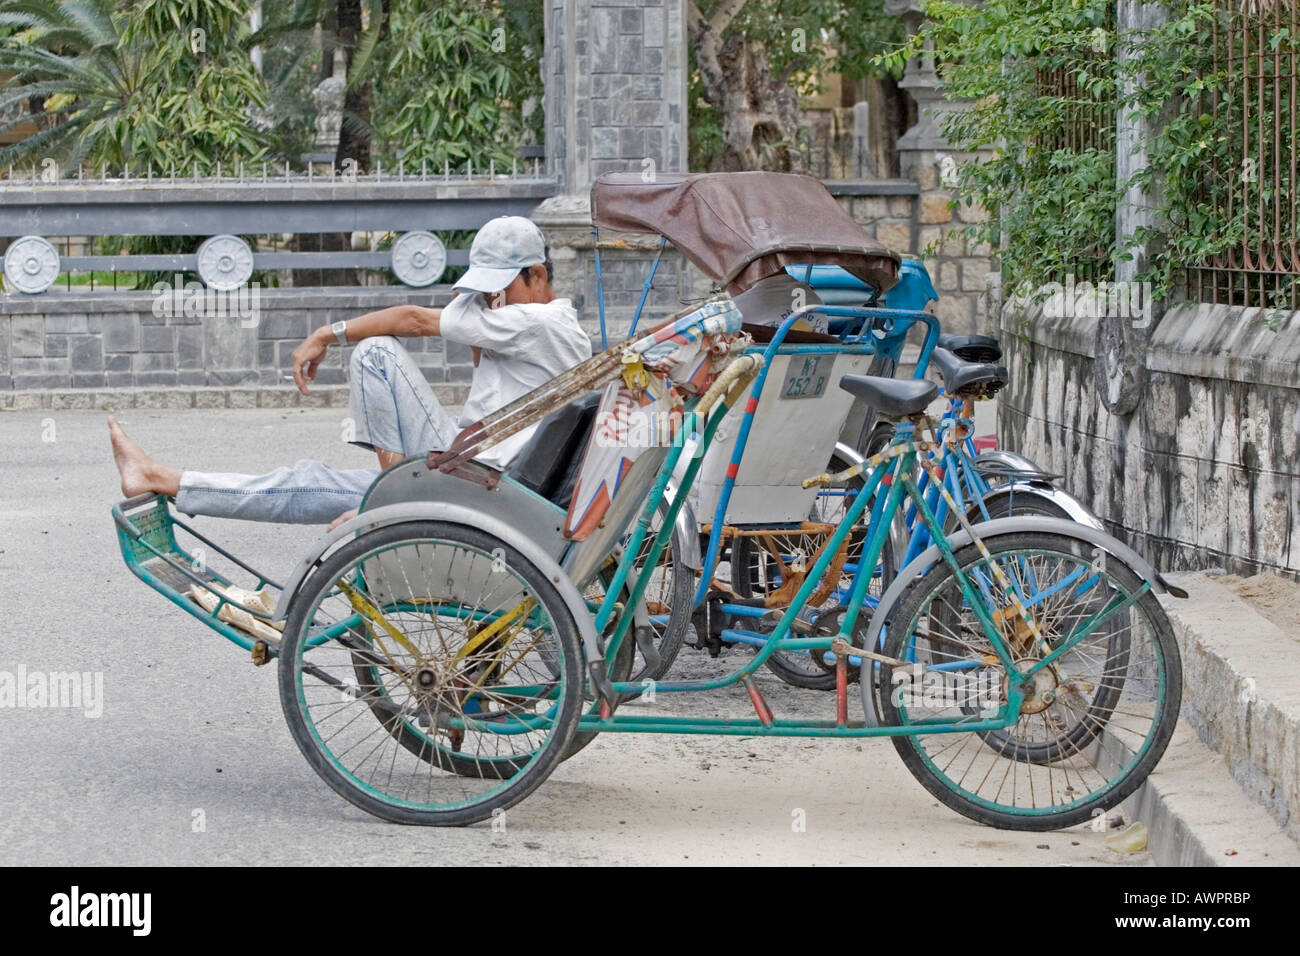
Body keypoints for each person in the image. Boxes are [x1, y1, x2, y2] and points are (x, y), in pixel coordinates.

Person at [109, 216, 592, 528]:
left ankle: (392, 501)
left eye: (500, 288)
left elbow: (413, 320)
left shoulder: (540, 320)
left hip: (482, 477)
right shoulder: (542, 328)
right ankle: (164, 478)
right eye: (487, 293)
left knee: (375, 352)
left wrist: (327, 333)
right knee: (309, 483)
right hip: (476, 468)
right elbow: (482, 372)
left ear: (539, 275)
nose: (493, 301)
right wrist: (480, 309)